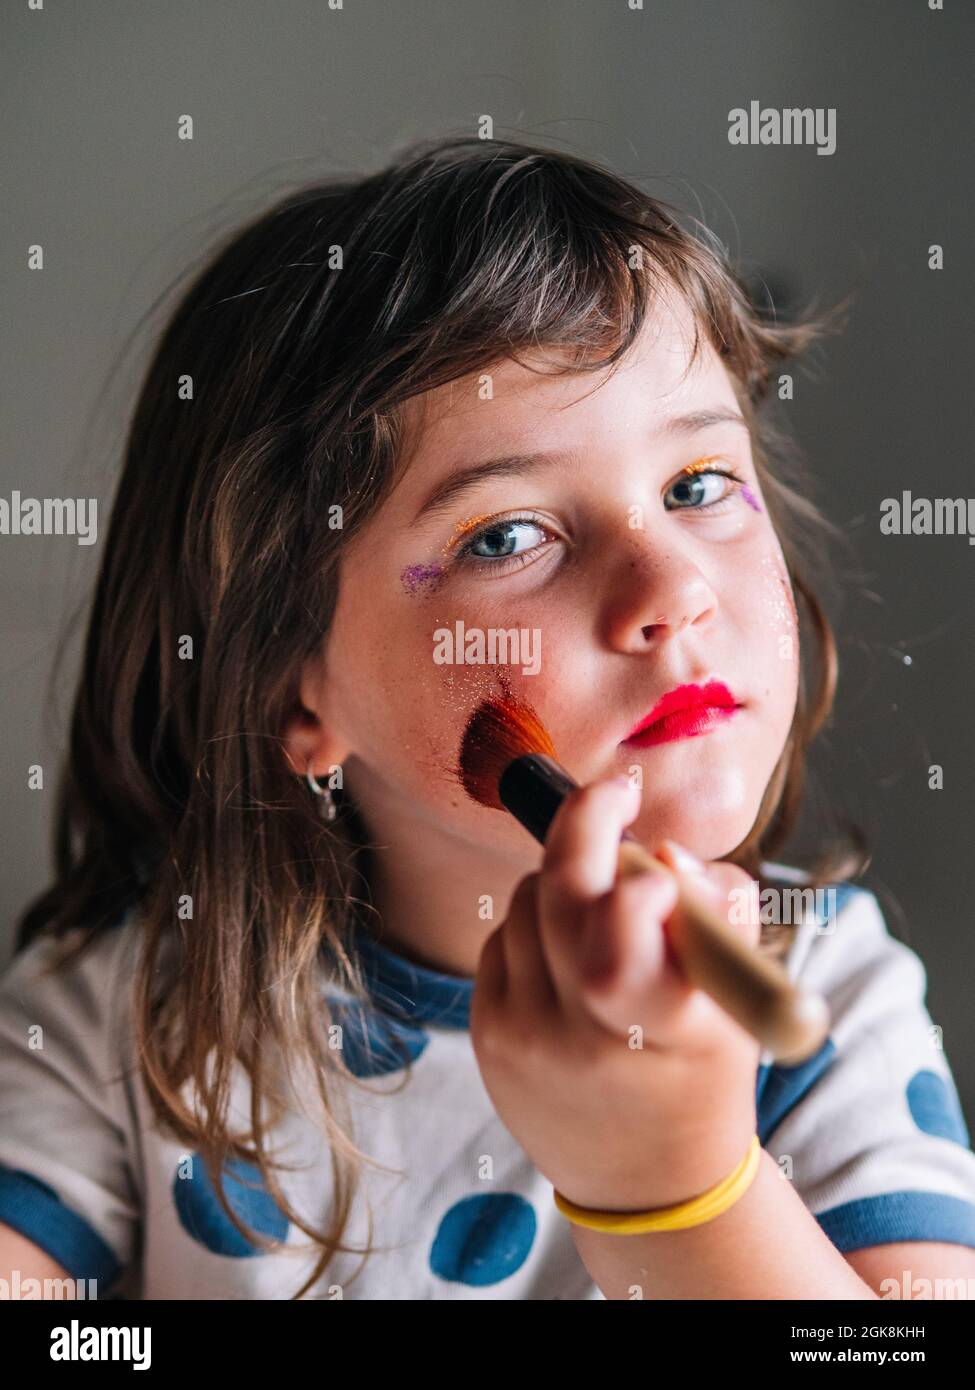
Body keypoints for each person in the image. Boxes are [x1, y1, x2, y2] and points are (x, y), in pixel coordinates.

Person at [2, 137, 974, 1300]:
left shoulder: (823, 1001)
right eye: (507, 535)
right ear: (289, 690)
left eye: (698, 485)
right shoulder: (126, 1020)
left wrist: (677, 1184)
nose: (672, 590)